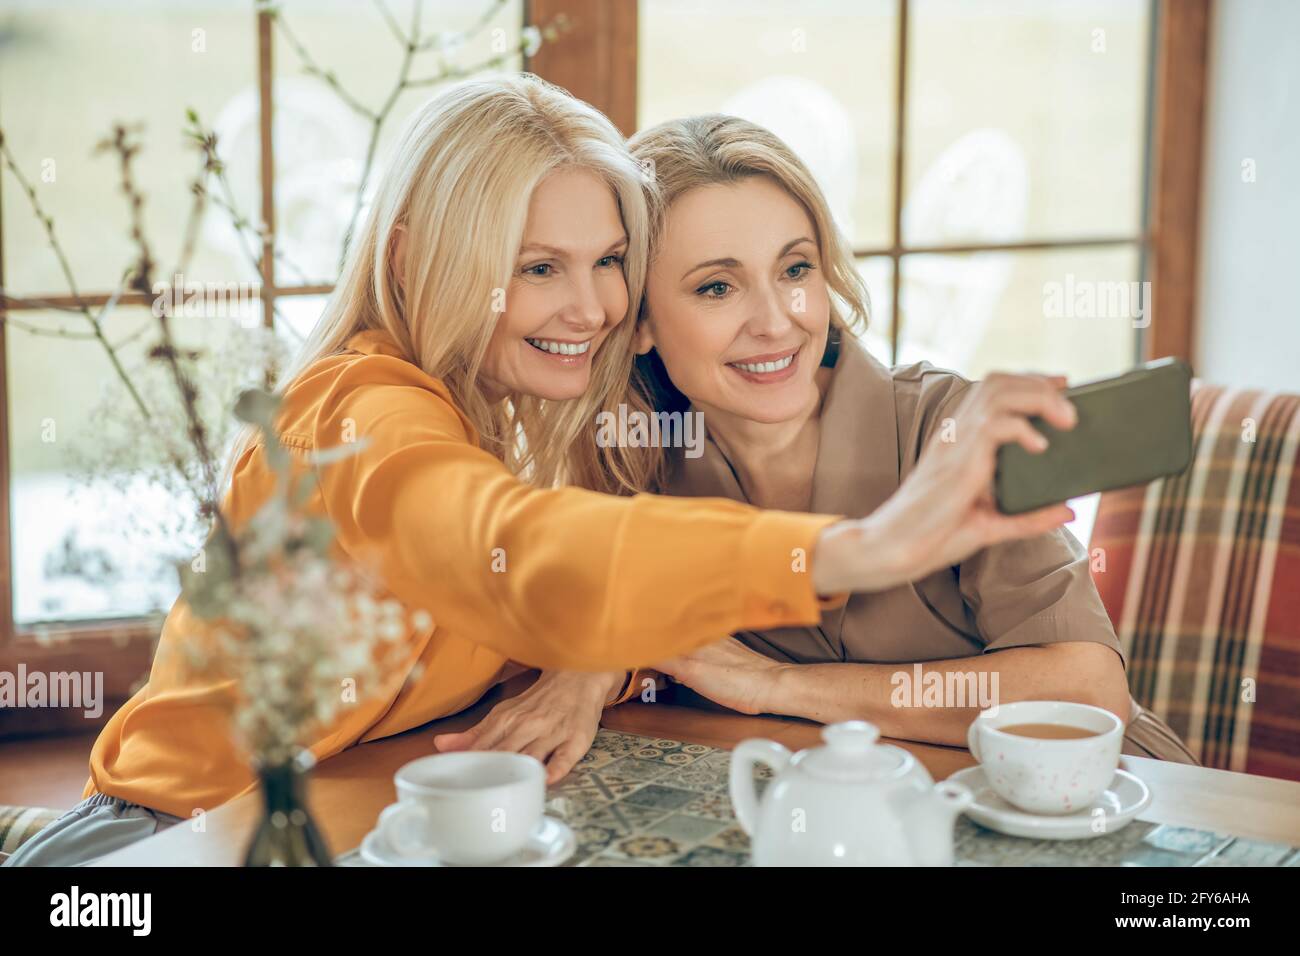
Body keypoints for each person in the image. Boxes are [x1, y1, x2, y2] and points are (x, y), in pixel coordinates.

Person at [6, 81, 1082, 867]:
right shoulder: (365, 415)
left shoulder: (529, 423)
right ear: (428, 250)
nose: (592, 306)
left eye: (608, 260)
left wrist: (593, 662)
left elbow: (559, 571)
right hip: (160, 850)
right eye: (536, 268)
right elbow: (502, 546)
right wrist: (853, 550)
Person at [449, 113, 1195, 775]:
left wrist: (776, 686)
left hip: (1109, 805)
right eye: (718, 287)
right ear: (638, 321)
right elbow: (610, 606)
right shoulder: (635, 465)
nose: (778, 321)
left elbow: (1085, 688)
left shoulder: (950, 426)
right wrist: (593, 665)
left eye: (796, 270)